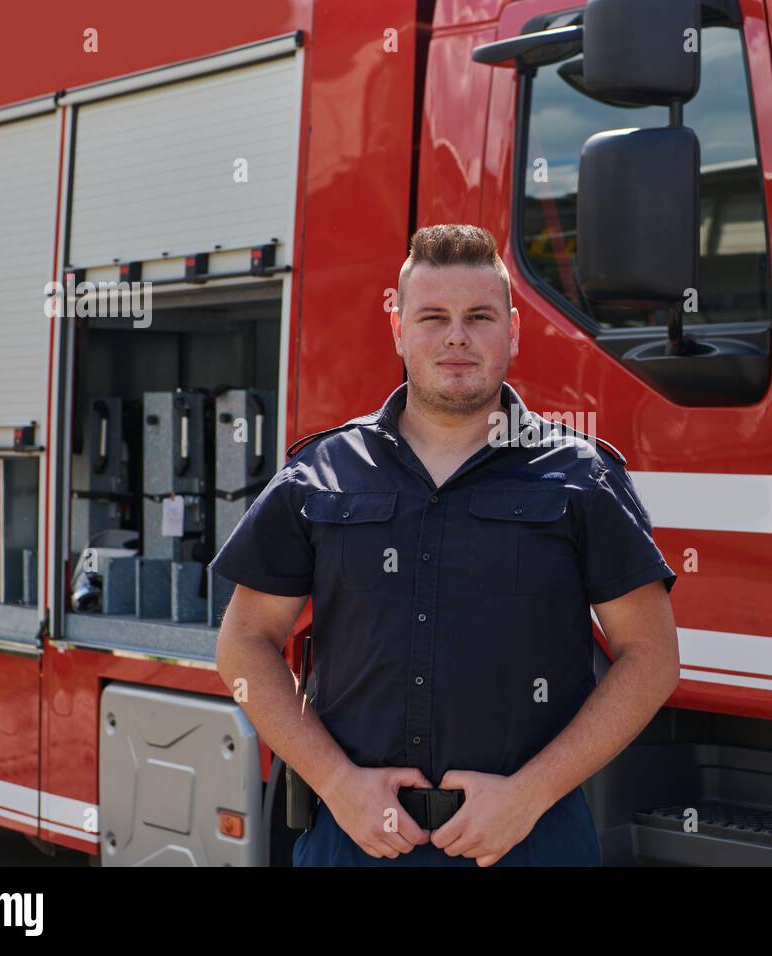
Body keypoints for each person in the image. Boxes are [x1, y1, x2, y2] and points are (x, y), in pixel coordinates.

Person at [211, 223, 679, 866]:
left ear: (513, 330)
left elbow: (650, 659)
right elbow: (244, 643)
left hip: (527, 844)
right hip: (357, 844)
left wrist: (530, 795)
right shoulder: (318, 473)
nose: (456, 336)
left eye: (479, 316)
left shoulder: (581, 477)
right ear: (398, 328)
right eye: (433, 316)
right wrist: (337, 784)